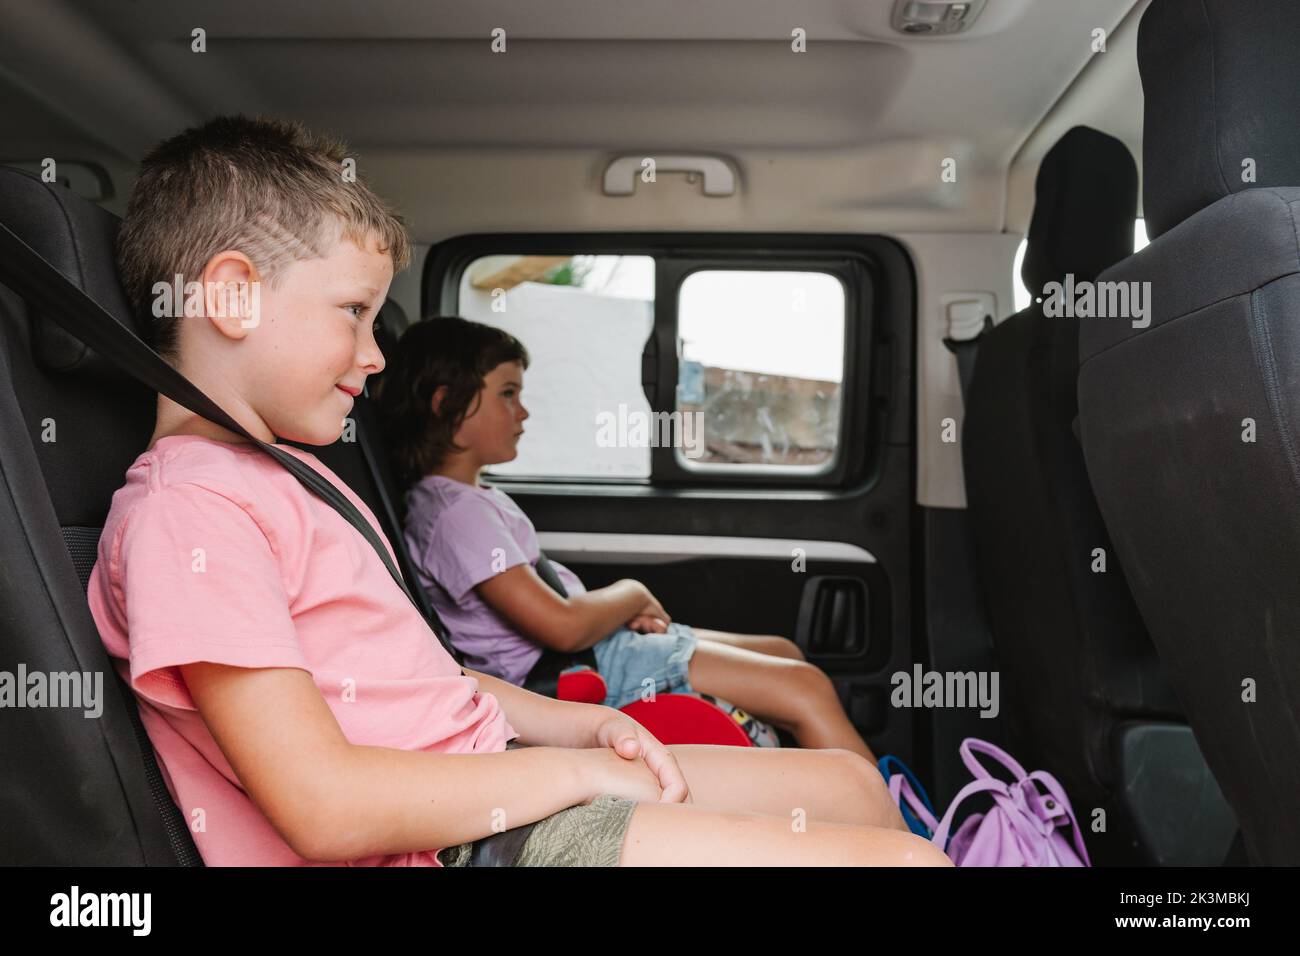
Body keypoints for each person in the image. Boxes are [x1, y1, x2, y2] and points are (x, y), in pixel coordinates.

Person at [87, 114, 949, 868]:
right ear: (232, 294)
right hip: (449, 842)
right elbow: (323, 807)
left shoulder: (284, 476)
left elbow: (420, 686)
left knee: (850, 788)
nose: (377, 352)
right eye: (353, 311)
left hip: (483, 784)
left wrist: (568, 725)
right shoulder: (187, 514)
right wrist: (568, 772)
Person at [380, 316, 883, 761]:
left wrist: (616, 614)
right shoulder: (453, 514)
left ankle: (829, 802)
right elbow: (559, 626)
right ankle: (898, 837)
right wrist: (633, 594)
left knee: (786, 651)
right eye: (507, 393)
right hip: (570, 672)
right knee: (807, 688)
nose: (524, 412)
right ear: (446, 404)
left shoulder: (469, 498)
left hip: (596, 650)